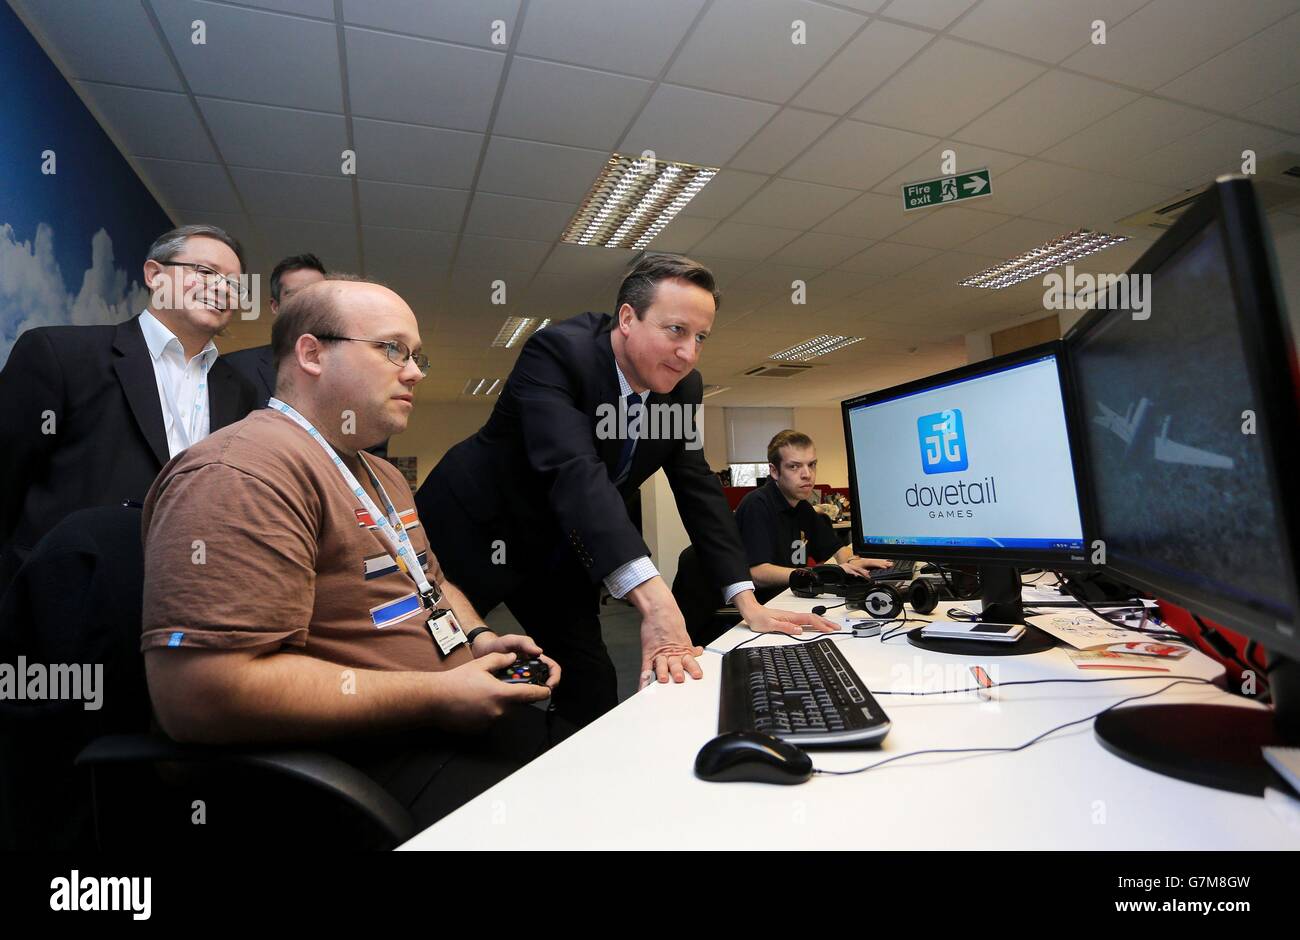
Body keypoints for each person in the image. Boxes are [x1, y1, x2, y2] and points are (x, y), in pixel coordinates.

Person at [140, 276, 563, 828]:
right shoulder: (241, 472)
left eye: (417, 357)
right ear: (312, 353)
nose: (413, 372)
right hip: (361, 760)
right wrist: (437, 694)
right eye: (392, 350)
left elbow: (431, 583)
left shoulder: (380, 472)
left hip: (441, 721)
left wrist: (479, 639)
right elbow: (200, 695)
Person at [416, 255, 835, 727]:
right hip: (474, 528)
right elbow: (576, 472)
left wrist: (745, 600)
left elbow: (696, 486)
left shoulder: (683, 389)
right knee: (434, 663)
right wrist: (656, 600)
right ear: (628, 318)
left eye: (700, 337)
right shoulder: (558, 353)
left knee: (590, 682)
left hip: (561, 547)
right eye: (675, 330)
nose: (689, 353)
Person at [0, 223, 259, 594]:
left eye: (235, 285)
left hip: (178, 601)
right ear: (155, 275)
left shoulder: (238, 391)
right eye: (205, 272)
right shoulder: (61, 354)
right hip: (61, 595)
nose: (222, 288)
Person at [735, 430, 892, 603]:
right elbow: (757, 574)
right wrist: (815, 574)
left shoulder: (802, 507)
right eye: (794, 466)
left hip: (795, 597)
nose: (807, 474)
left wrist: (853, 561)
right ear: (774, 471)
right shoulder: (757, 505)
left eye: (811, 465)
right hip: (764, 605)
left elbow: (837, 549)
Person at [224, 252, 327, 405]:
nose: (306, 303)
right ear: (275, 306)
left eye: (316, 294)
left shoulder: (347, 369)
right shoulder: (234, 368)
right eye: (294, 295)